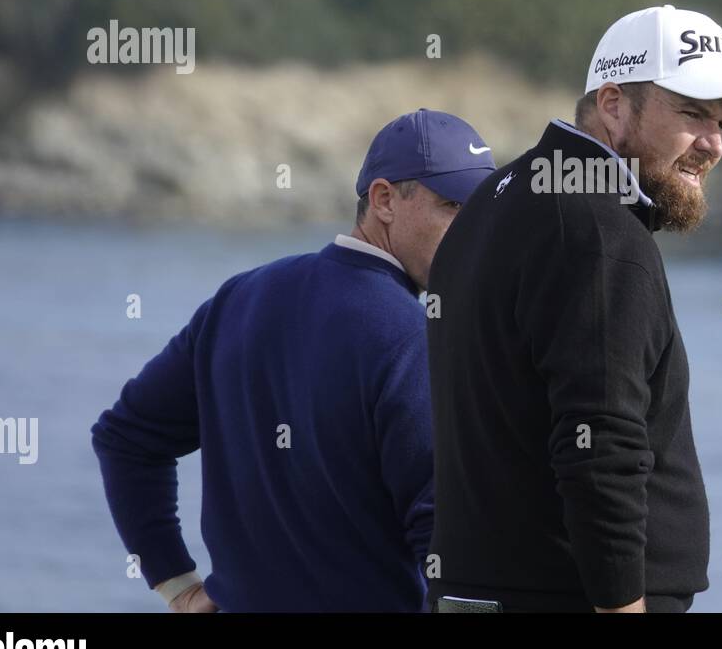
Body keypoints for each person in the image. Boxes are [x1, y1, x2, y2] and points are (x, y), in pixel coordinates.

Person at [425, 5, 722, 613]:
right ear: (614, 104)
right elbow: (599, 448)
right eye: (693, 113)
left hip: (476, 590)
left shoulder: (500, 196)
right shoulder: (598, 233)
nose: (714, 145)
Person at [92, 109, 496, 611]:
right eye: (452, 205)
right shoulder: (411, 337)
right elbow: (446, 541)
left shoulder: (239, 298)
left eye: (480, 211)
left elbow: (125, 437)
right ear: (384, 200)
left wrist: (178, 585)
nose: (474, 232)